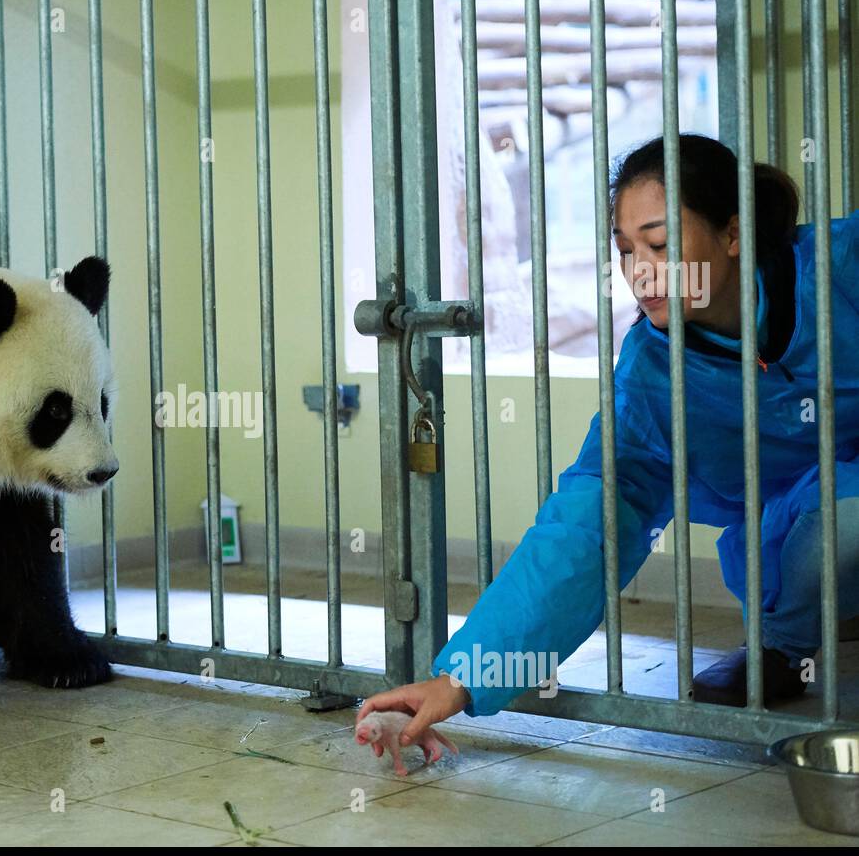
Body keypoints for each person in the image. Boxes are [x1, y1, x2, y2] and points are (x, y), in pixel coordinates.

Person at [358, 133, 859, 746]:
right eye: (624, 251)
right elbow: (584, 527)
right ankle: (785, 642)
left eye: (660, 243)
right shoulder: (652, 374)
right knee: (842, 525)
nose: (638, 272)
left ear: (733, 234)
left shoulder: (841, 268)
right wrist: (460, 678)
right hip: (805, 530)